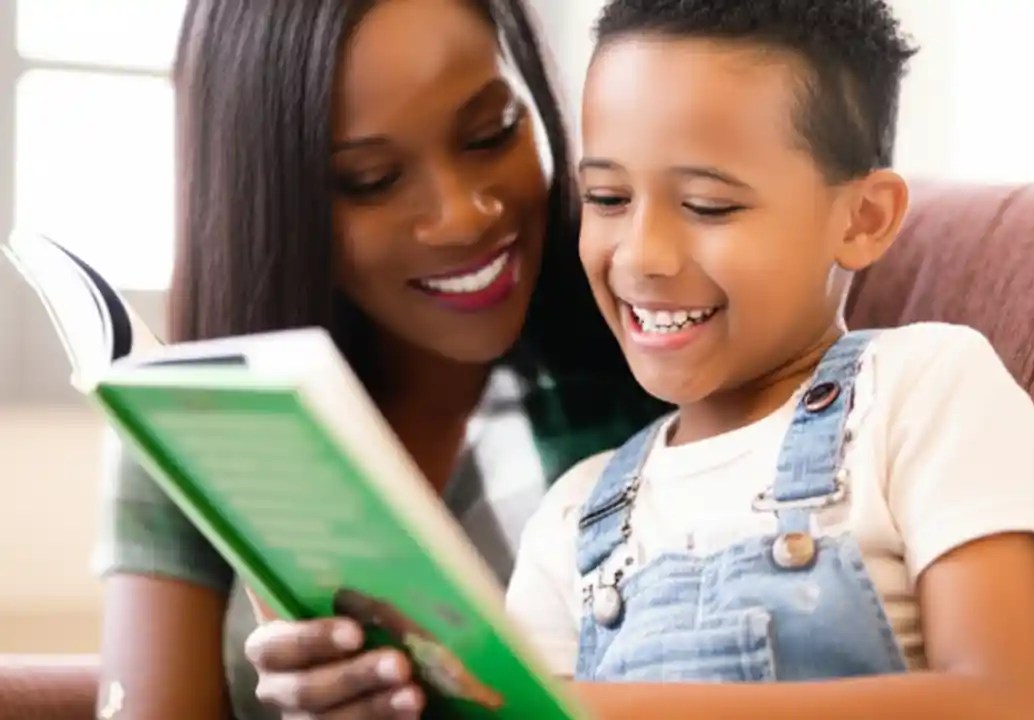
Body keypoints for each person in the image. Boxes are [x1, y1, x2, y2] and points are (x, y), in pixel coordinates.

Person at [504, 1, 1034, 718]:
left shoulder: (919, 389)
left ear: (862, 218)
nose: (642, 255)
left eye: (708, 205)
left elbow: (1009, 704)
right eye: (608, 197)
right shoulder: (570, 519)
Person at [92, 1, 664, 718]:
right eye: (370, 179)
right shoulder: (193, 419)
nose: (462, 215)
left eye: (491, 133)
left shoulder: (660, 374)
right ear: (272, 199)